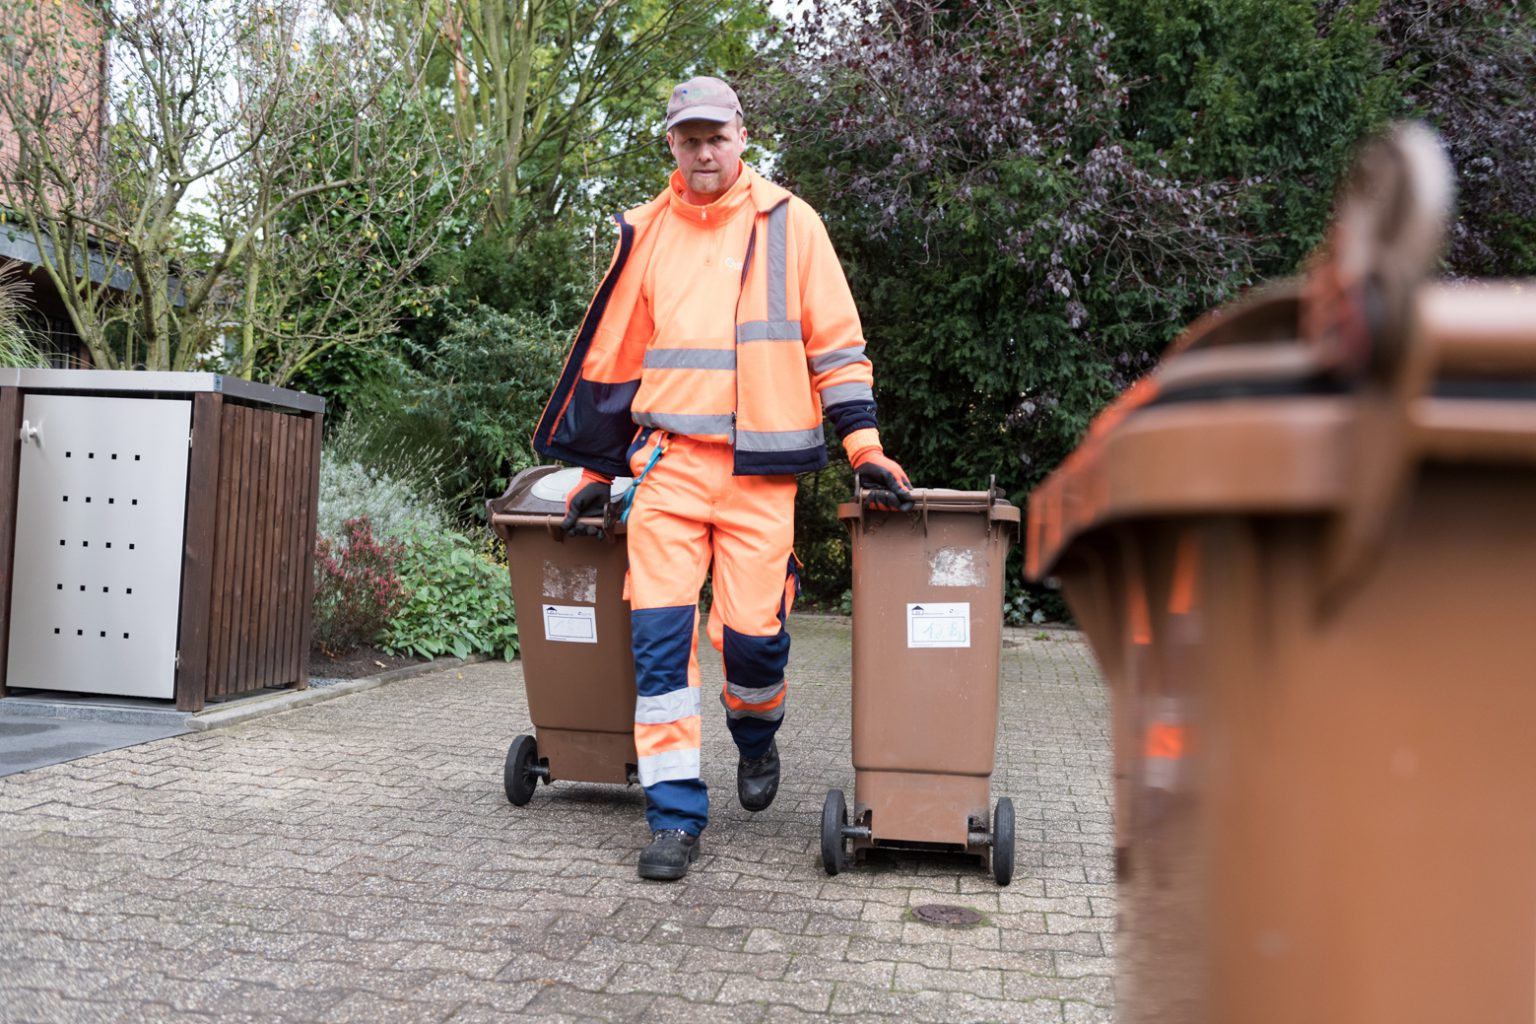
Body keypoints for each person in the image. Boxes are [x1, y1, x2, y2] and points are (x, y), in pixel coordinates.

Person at [533, 75, 912, 881]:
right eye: (688, 137)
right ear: (670, 143)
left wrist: (865, 449)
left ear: (742, 135)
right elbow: (615, 362)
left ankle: (756, 729)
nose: (703, 151)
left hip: (760, 475)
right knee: (660, 647)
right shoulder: (645, 232)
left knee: (753, 643)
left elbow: (837, 347)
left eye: (716, 135)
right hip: (667, 468)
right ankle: (674, 816)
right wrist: (601, 469)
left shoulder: (792, 224)